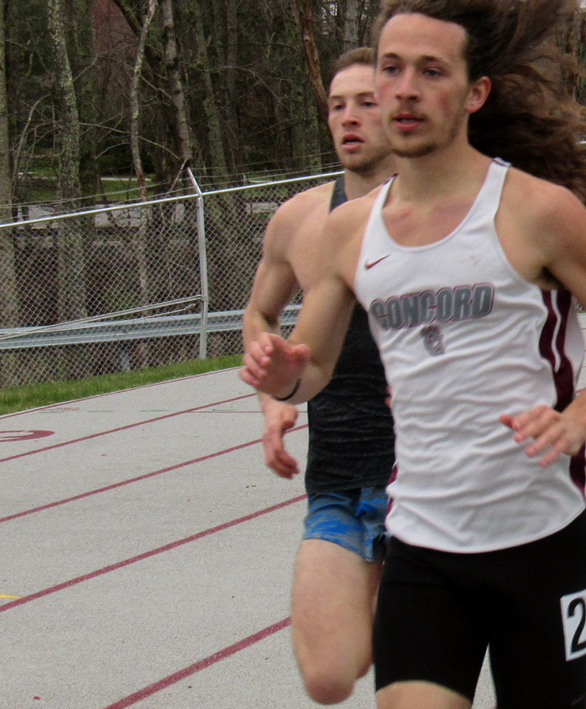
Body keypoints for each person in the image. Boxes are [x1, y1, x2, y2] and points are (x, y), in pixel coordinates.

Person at [241, 0, 586, 709]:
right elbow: (315, 368)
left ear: (475, 93)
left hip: (540, 538)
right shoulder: (349, 233)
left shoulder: (534, 212)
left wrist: (579, 417)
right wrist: (282, 376)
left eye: (430, 72)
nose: (404, 90)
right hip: (424, 544)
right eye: (391, 68)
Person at [241, 48, 397, 704]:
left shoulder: (446, 213)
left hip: (429, 482)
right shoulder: (302, 220)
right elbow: (260, 313)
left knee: (408, 680)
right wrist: (273, 397)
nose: (350, 117)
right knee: (331, 674)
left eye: (366, 102)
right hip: (335, 475)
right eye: (338, 105)